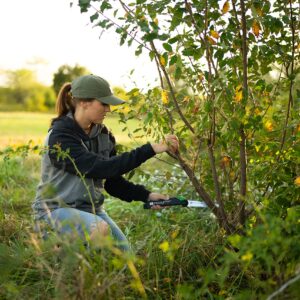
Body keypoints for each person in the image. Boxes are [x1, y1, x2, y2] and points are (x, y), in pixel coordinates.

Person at [32, 74, 179, 251]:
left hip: (91, 211)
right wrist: (151, 149)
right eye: (103, 103)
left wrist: (146, 196)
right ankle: (67, 263)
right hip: (53, 211)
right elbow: (100, 168)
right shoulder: (60, 137)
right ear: (84, 102)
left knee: (125, 256)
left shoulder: (104, 136)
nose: (108, 109)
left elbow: (113, 181)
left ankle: (78, 256)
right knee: (98, 228)